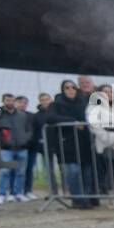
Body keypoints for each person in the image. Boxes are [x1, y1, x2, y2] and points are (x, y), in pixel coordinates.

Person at [45, 79, 96, 208]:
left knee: (87, 173)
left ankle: (87, 198)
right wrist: (73, 122)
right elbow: (50, 118)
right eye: (67, 87)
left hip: (84, 143)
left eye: (73, 87)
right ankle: (77, 199)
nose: (71, 90)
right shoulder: (56, 104)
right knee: (73, 172)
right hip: (66, 145)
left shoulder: (83, 102)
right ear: (63, 90)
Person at [0, 94, 32, 204]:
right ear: (3, 101)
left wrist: (25, 139)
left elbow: (29, 129)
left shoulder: (22, 115)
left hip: (22, 147)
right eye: (7, 100)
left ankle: (17, 193)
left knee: (20, 172)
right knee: (5, 171)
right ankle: (1, 194)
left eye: (12, 100)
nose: (10, 102)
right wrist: (1, 142)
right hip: (6, 148)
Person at [33, 92, 55, 196]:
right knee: (48, 170)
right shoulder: (37, 116)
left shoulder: (57, 111)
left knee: (64, 169)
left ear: (51, 100)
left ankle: (67, 190)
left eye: (47, 99)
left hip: (59, 144)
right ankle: (51, 191)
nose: (45, 101)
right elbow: (36, 131)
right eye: (43, 100)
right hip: (45, 146)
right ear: (40, 102)